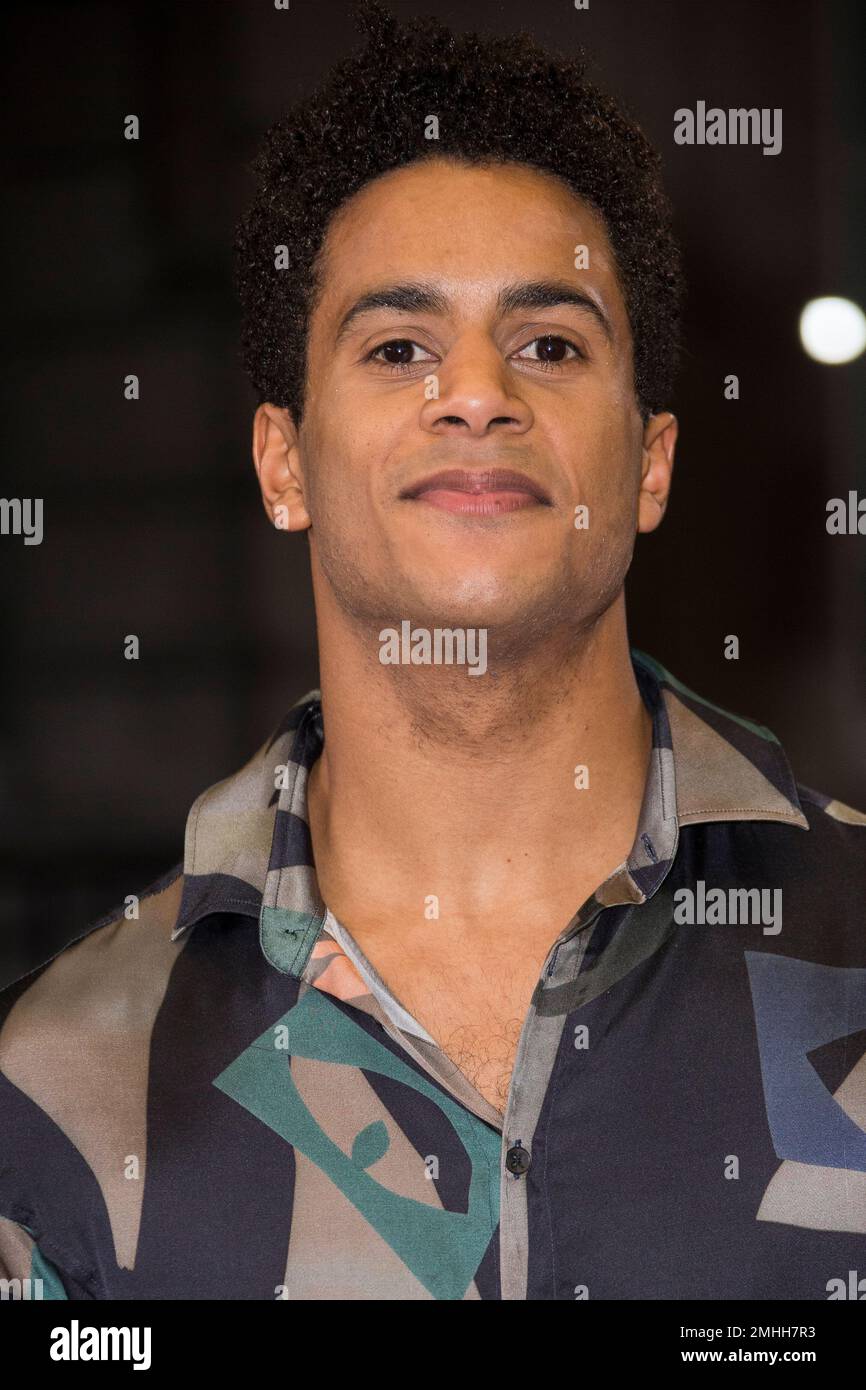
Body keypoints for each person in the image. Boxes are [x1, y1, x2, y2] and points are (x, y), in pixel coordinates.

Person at [1, 0, 864, 1302]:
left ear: (648, 462)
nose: (474, 390)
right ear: (281, 460)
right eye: (398, 346)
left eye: (549, 344)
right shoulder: (58, 1083)